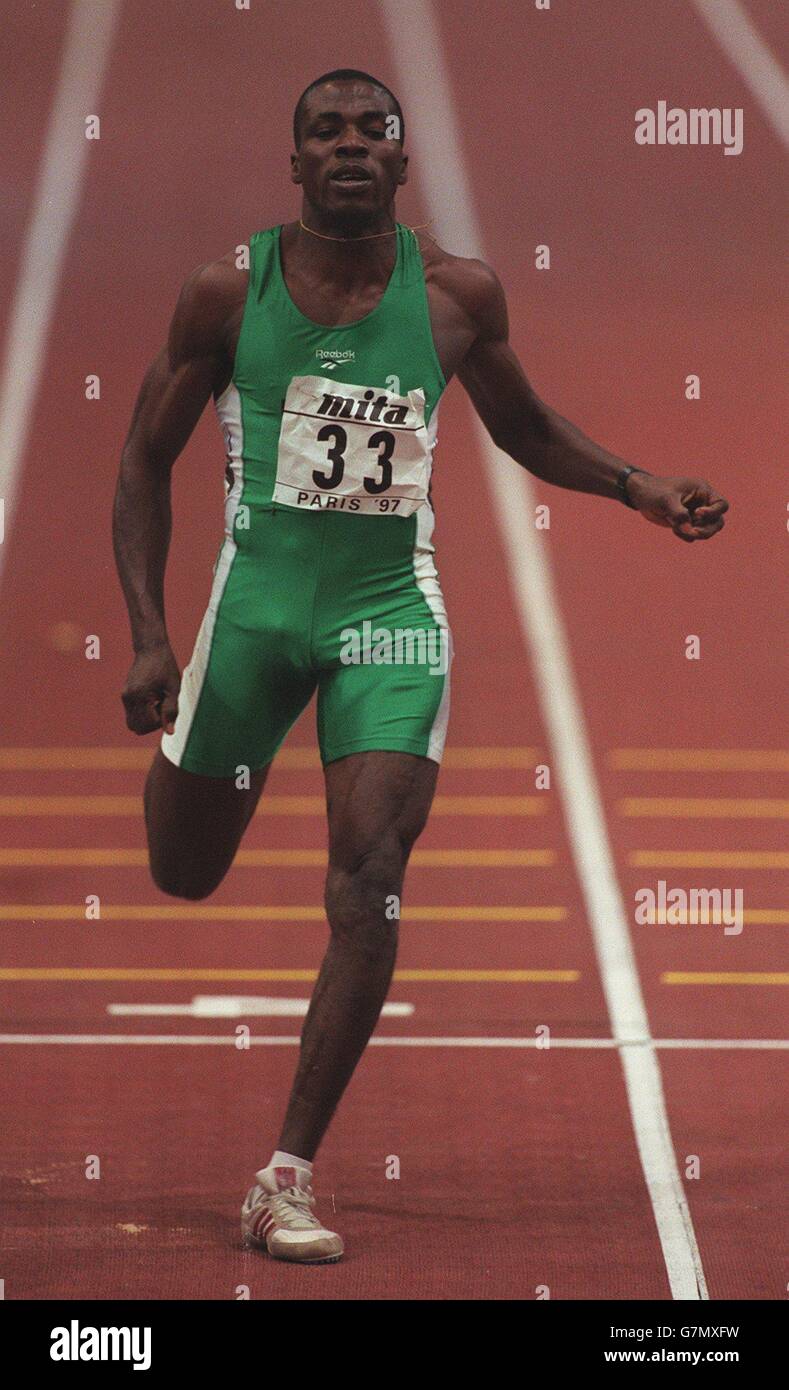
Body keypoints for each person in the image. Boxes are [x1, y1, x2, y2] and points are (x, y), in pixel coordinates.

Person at [113, 68, 728, 1265]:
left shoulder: (456, 297)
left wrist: (639, 486)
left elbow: (524, 424)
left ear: (403, 162)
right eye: (326, 132)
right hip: (255, 615)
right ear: (294, 164)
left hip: (390, 617)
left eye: (372, 132)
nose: (350, 147)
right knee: (182, 869)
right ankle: (197, 770)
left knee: (371, 871)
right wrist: (147, 630)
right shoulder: (222, 295)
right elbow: (143, 460)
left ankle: (285, 1174)